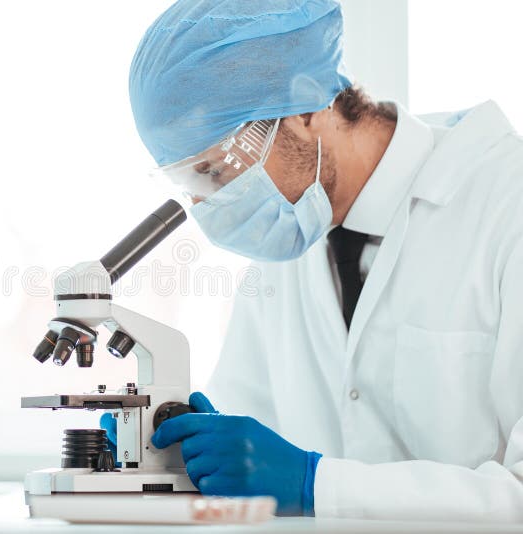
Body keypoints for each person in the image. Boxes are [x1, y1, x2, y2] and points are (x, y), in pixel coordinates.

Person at [102, 0, 523, 522]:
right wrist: (174, 451)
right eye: (194, 182)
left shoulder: (507, 205)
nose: (214, 205)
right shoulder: (287, 236)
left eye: (219, 169)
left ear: (304, 108)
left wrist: (315, 482)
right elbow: (252, 433)